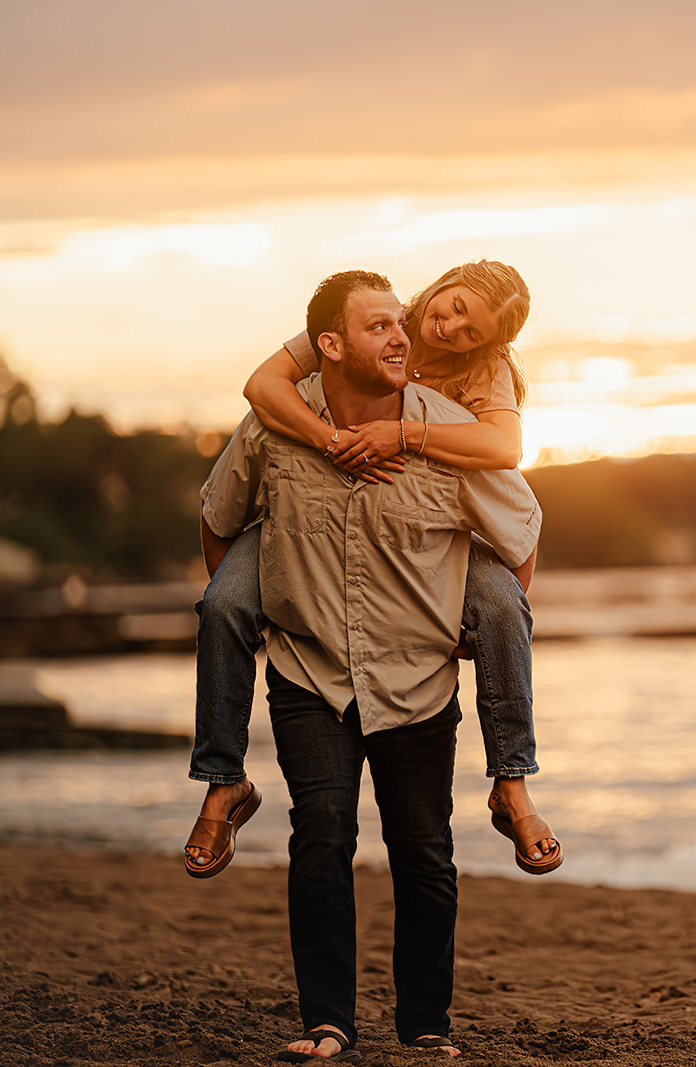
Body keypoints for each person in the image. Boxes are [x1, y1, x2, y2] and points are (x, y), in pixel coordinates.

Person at [201, 270, 539, 1059]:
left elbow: (517, 510)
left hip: (413, 678)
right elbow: (221, 509)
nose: (440, 330)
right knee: (319, 835)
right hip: (312, 670)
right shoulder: (282, 415)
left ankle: (427, 1024)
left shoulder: (464, 408)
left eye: (470, 327)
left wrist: (474, 609)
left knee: (424, 848)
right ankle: (326, 1022)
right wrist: (257, 605)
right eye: (447, 309)